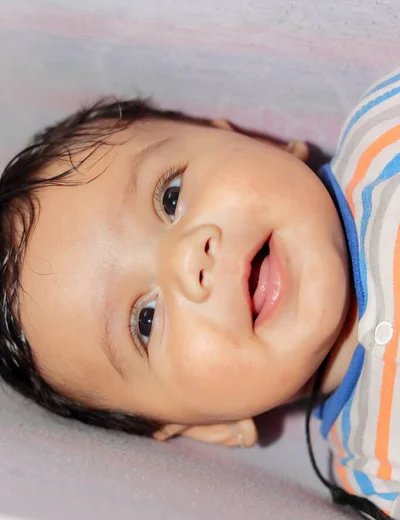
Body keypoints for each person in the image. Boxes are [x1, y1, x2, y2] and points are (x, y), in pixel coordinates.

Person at [0, 68, 399, 519]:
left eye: (170, 197)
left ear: (250, 140)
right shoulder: (375, 477)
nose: (188, 260)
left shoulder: (384, 133)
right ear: (213, 428)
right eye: (145, 322)